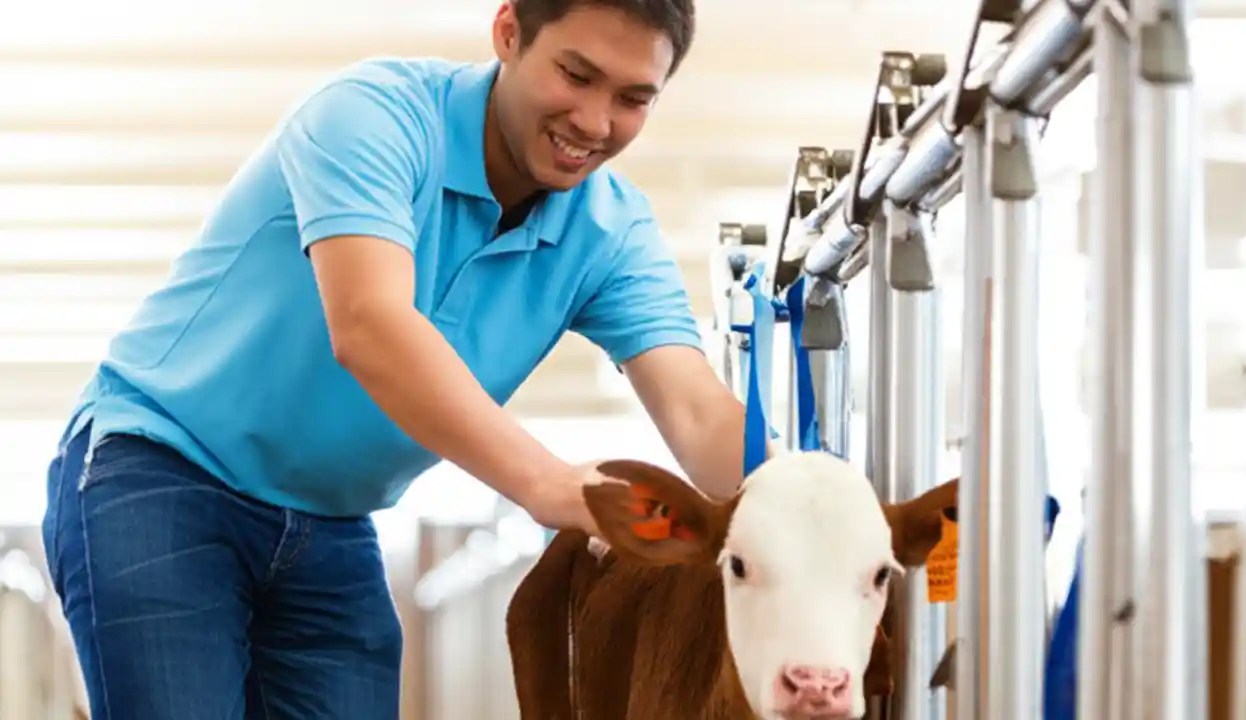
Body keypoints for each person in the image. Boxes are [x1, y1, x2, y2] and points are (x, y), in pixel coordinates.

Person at [40, 0, 749, 717]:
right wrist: (550, 484)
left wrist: (812, 509)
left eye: (632, 99)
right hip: (165, 471)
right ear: (508, 32)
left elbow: (695, 409)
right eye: (576, 74)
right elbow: (368, 323)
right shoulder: (374, 116)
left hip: (331, 519)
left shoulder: (612, 230)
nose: (596, 123)